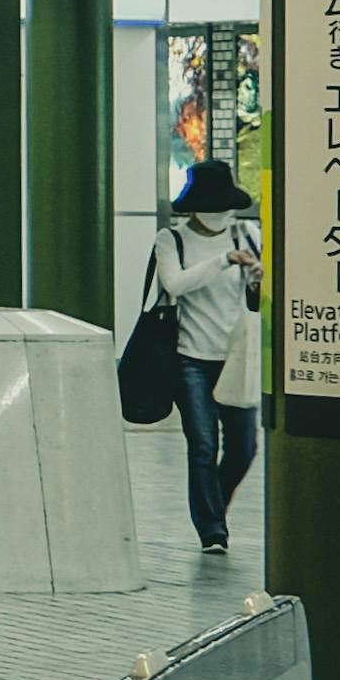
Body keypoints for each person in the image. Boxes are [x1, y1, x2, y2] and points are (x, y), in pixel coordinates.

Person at [143, 155, 265, 553]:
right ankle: (212, 530)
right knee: (203, 445)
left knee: (245, 446)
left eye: (226, 208)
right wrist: (222, 260)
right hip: (189, 357)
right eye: (214, 208)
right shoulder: (172, 239)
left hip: (237, 358)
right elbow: (176, 285)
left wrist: (254, 281)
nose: (221, 215)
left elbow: (256, 300)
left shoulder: (247, 234)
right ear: (194, 206)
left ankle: (215, 504)